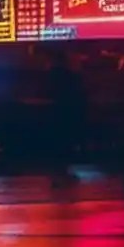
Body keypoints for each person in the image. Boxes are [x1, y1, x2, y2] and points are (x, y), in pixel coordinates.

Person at [43, 52, 84, 185]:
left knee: (58, 145)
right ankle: (61, 172)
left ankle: (58, 172)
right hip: (67, 114)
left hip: (56, 114)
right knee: (65, 144)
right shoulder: (70, 76)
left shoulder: (51, 75)